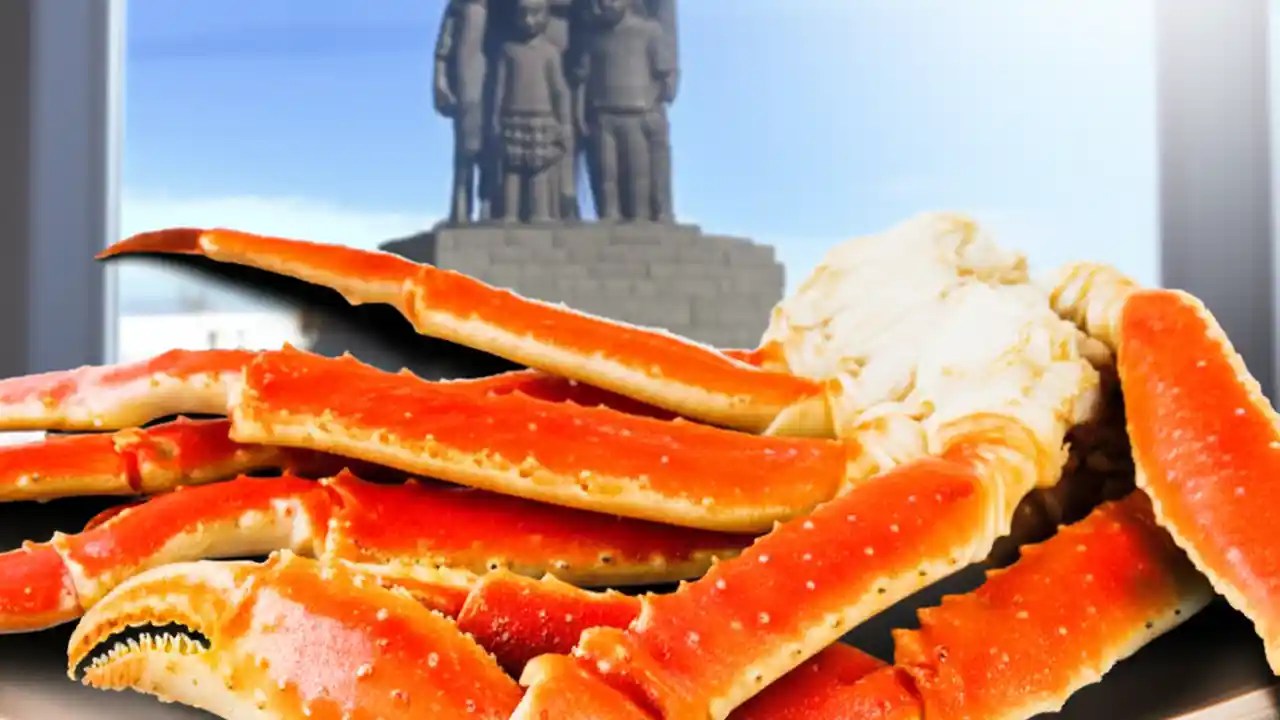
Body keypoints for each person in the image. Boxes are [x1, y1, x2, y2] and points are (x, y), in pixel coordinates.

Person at [491, 0, 574, 222]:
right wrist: (495, 120)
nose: (529, 20)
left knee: (540, 169)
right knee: (512, 169)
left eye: (535, 14)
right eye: (523, 14)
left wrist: (564, 123)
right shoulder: (508, 50)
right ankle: (509, 214)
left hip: (543, 119)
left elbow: (560, 90)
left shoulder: (550, 52)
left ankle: (541, 214)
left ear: (546, 15)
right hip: (513, 117)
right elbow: (499, 88)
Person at [433, 0, 491, 224]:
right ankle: (460, 209)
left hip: (500, 77)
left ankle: (488, 206)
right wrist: (440, 80)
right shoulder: (462, 6)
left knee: (493, 146)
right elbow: (444, 47)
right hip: (468, 77)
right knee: (467, 147)